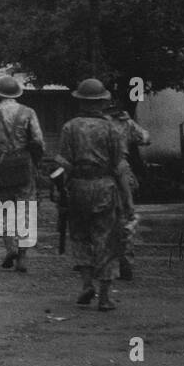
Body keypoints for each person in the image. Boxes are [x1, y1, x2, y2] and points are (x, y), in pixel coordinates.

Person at [54, 79, 126, 311]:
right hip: (105, 186)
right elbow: (119, 166)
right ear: (103, 101)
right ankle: (105, 297)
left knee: (80, 235)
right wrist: (128, 200)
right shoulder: (112, 129)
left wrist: (60, 193)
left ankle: (86, 284)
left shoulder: (69, 127)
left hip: (77, 187)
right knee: (106, 238)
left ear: (80, 101)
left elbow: (63, 163)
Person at [0, 75, 45, 273]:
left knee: (3, 209)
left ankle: (11, 247)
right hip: (24, 165)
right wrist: (36, 164)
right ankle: (23, 256)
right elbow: (38, 141)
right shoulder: (28, 112)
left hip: (1, 167)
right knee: (25, 211)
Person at [107, 104, 150, 281]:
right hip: (121, 170)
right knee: (125, 217)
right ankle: (125, 261)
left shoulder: (90, 122)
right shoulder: (125, 123)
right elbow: (145, 138)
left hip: (96, 174)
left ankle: (98, 263)